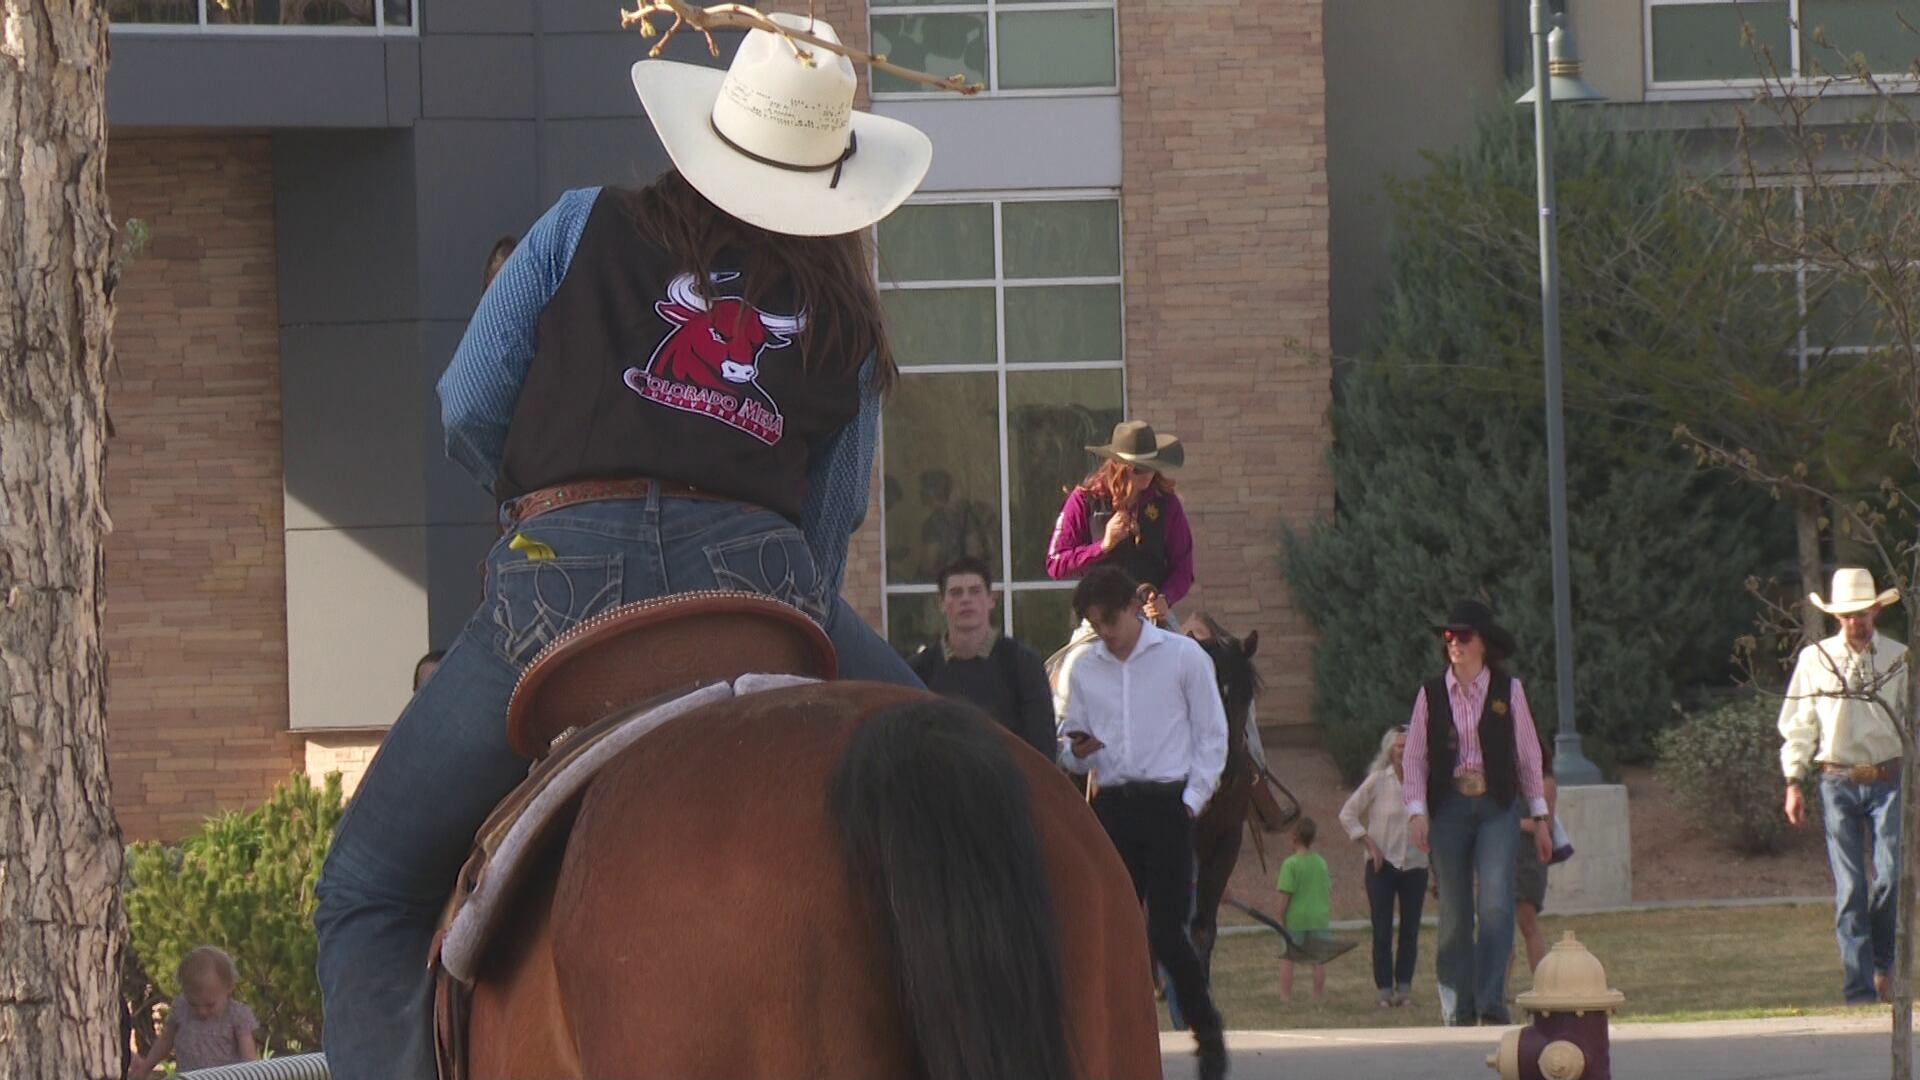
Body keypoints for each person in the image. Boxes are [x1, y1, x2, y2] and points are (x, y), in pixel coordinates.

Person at [313, 17, 934, 1078]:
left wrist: (544, 517)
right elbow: (829, 534)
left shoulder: (576, 225)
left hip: (561, 580)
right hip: (763, 589)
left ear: (707, 134)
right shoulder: (847, 317)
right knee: (972, 795)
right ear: (835, 178)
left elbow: (468, 406)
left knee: (366, 889)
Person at [1057, 565, 1229, 1080]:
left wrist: (1192, 801)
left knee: (1167, 930)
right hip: (1110, 807)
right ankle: (1104, 1042)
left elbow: (1212, 736)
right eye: (1094, 624)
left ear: (1135, 606)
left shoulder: (1183, 658)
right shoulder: (1084, 667)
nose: (1105, 632)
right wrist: (1076, 750)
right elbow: (1068, 747)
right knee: (1107, 928)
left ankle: (1208, 1034)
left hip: (1168, 807)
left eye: (1110, 619)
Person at [1403, 599, 1552, 1027]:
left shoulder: (1510, 691)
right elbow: (1414, 758)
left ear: (1483, 643)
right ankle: (1457, 1007)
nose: (1454, 644)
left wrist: (1539, 820)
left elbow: (1528, 759)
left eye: (1464, 636)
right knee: (1453, 911)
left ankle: (1490, 1001)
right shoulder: (1430, 694)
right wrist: (1417, 811)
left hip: (1496, 807)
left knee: (1495, 906)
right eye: (1449, 636)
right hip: (1448, 807)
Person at [1779, 568, 1911, 1006]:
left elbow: (1910, 722)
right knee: (1850, 887)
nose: (1857, 621)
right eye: (1849, 615)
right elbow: (1799, 724)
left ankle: (1881, 964)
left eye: (1863, 612)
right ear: (1838, 617)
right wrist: (1793, 781)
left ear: (1876, 609)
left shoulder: (1897, 657)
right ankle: (1858, 990)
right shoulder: (1815, 660)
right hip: (1836, 778)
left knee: (1890, 876)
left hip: (1887, 779)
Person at [908, 555, 1056, 757]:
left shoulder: (1022, 664)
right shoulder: (919, 670)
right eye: (956, 593)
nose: (966, 600)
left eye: (975, 591)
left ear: (991, 599)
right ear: (941, 603)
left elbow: (1042, 749)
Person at [1339, 725, 1428, 1008]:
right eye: (1399, 747)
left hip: (1415, 864)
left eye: (1408, 747)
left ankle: (1404, 989)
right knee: (1382, 929)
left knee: (1410, 929)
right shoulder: (1378, 780)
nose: (1403, 752)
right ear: (1390, 751)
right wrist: (1367, 842)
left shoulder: (1423, 782)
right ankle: (1384, 990)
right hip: (1382, 865)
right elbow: (1348, 814)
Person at [129, 946, 258, 1076]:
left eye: (210, 1005)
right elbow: (165, 1040)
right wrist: (145, 1067)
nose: (201, 1011)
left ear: (228, 988)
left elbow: (249, 1058)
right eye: (193, 1004)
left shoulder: (236, 1016)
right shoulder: (181, 1008)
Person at [1274, 817, 1333, 1003]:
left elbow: (1286, 894)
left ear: (1294, 837)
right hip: (1318, 917)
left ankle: (1285, 996)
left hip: (1295, 918)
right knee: (1319, 960)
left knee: (1288, 958)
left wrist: (1280, 916)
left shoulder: (1290, 864)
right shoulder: (1321, 863)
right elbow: (1327, 888)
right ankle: (1317, 995)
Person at [1514, 742, 1559, 974]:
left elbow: (1542, 824)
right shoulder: (1511, 785)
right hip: (1506, 857)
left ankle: (1542, 981)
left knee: (1527, 923)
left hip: (1529, 860)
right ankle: (1498, 990)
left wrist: (1511, 824)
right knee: (1500, 928)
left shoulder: (1545, 783)